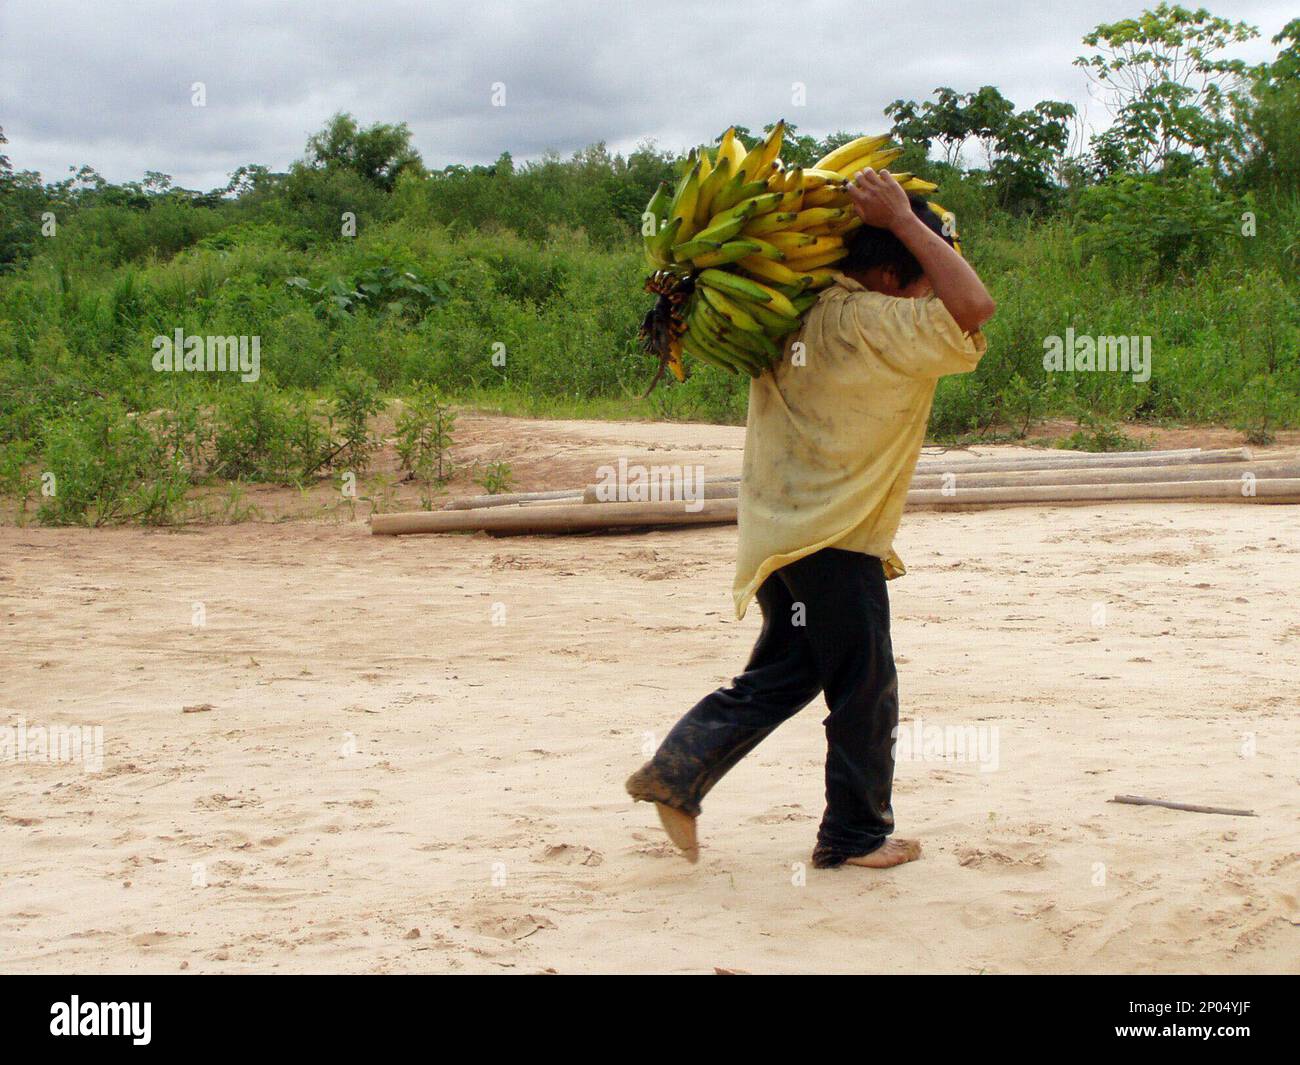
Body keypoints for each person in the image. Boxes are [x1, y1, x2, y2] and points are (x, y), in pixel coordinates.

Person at [626, 167, 996, 870]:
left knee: (788, 672)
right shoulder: (876, 323)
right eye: (918, 277)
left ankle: (677, 770)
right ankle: (853, 835)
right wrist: (906, 222)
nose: (926, 291)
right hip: (835, 537)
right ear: (892, 276)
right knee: (867, 686)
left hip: (778, 537)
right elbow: (973, 305)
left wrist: (901, 230)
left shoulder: (799, 311)